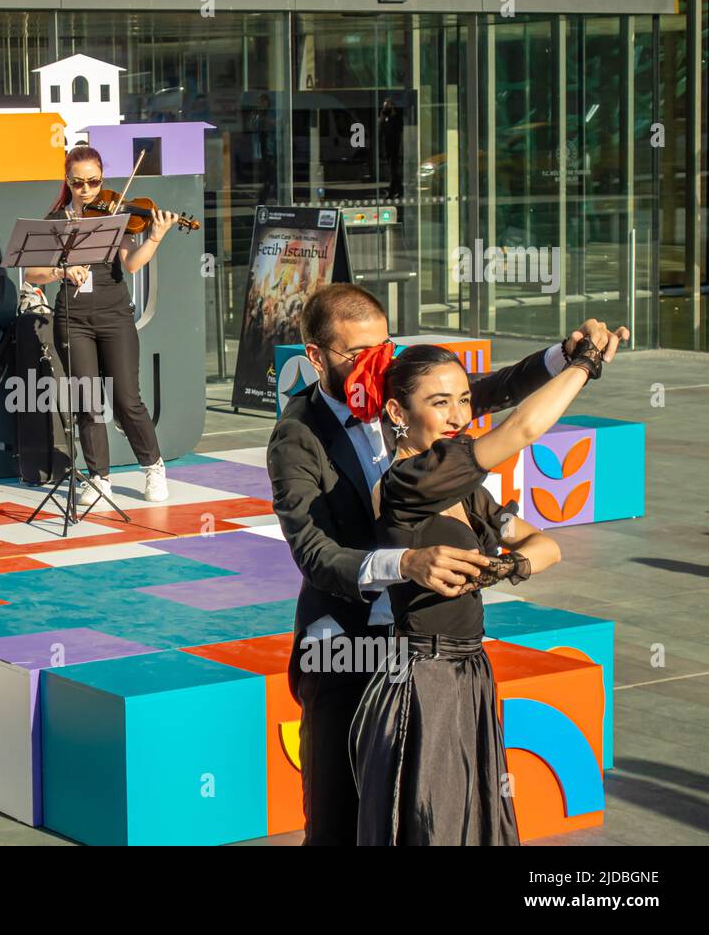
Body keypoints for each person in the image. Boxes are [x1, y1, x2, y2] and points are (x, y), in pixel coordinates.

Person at [266, 283, 628, 844]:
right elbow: (315, 556)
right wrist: (404, 562)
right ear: (316, 357)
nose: (377, 364)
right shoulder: (297, 434)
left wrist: (567, 354)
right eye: (358, 355)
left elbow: (483, 394)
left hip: (428, 653)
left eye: (384, 349)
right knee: (340, 819)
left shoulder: (398, 394)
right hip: (345, 647)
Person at [350, 337, 604, 844]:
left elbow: (544, 544)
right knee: (434, 823)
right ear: (398, 411)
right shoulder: (406, 483)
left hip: (471, 674)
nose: (457, 415)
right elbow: (523, 427)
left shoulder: (468, 492)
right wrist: (585, 365)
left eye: (464, 399)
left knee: (476, 820)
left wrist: (504, 566)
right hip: (424, 682)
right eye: (439, 402)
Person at [23, 144, 175, 506]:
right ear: (68, 181)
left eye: (94, 182)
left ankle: (153, 465)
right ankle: (99, 478)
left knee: (126, 399)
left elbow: (133, 264)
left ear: (102, 179)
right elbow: (31, 273)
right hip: (72, 318)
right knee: (87, 400)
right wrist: (62, 270)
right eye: (79, 183)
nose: (87, 190)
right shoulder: (55, 221)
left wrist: (154, 236)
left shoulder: (114, 216)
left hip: (114, 315)